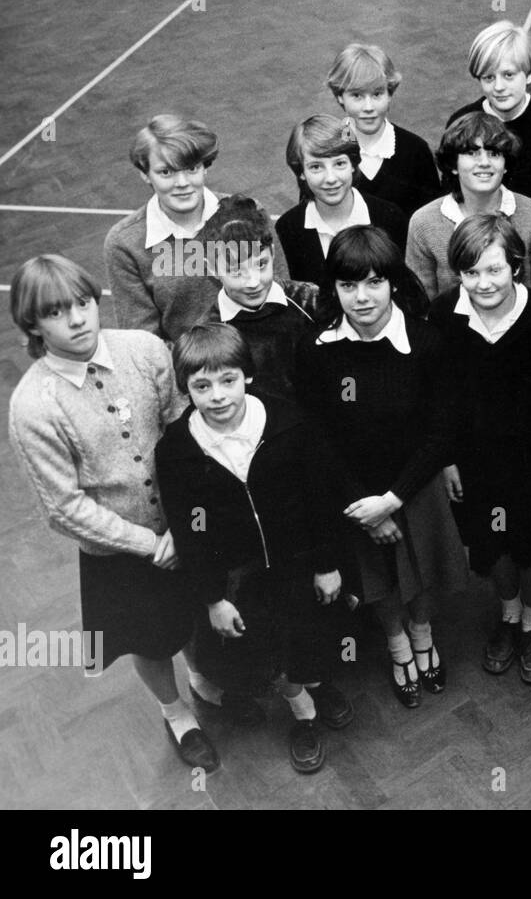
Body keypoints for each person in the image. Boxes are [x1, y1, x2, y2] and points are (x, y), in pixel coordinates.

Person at [8, 254, 218, 771]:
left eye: (83, 303)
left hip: (184, 524)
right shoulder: (34, 405)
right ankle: (177, 715)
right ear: (32, 324)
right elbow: (64, 508)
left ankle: (205, 681)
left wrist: (185, 519)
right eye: (58, 312)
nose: (78, 319)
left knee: (196, 611)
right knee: (149, 639)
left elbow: (184, 430)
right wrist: (149, 544)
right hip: (121, 552)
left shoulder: (146, 350)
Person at [155, 324, 355, 774]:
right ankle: (303, 712)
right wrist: (213, 598)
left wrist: (326, 564)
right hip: (239, 579)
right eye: (201, 386)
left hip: (299, 564)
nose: (218, 396)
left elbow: (320, 501)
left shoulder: (289, 422)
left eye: (227, 380)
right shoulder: (177, 451)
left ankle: (319, 685)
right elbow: (190, 532)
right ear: (186, 389)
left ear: (247, 374)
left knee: (310, 633)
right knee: (265, 648)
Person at [294, 226, 466, 709]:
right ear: (334, 289)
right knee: (380, 579)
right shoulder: (316, 349)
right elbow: (318, 437)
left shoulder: (425, 342)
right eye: (348, 286)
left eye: (373, 283)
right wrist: (366, 507)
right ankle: (398, 647)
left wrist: (394, 499)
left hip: (415, 485)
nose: (361, 297)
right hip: (354, 494)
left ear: (393, 282)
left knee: (421, 570)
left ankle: (424, 634)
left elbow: (441, 431)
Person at [430, 214, 531, 686]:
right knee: (492, 542)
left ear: (515, 265)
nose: (483, 283)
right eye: (471, 273)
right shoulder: (442, 315)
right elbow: (438, 396)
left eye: (494, 270)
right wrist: (447, 457)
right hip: (475, 462)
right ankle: (508, 615)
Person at [105, 115, 289, 339]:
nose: (182, 183)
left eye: (191, 168)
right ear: (145, 174)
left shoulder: (248, 212)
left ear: (205, 168)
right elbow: (145, 342)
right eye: (166, 172)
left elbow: (282, 290)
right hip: (191, 368)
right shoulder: (124, 243)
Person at [406, 112, 531, 300]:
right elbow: (421, 304)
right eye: (472, 153)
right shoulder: (423, 223)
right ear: (453, 165)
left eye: (494, 154)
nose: (484, 163)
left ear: (505, 165)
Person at [196, 195, 314, 403]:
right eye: (236, 271)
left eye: (261, 265)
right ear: (212, 269)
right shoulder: (209, 335)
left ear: (273, 253)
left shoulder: (310, 301)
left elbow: (347, 371)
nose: (252, 282)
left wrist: (347, 401)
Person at [275, 115, 408, 287]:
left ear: (353, 164)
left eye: (339, 164)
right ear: (301, 172)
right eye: (316, 167)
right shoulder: (288, 228)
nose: (330, 178)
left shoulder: (390, 218)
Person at [446, 20, 531, 200]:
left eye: (508, 75)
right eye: (488, 78)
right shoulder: (462, 121)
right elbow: (450, 191)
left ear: (529, 76)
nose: (498, 86)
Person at [327, 42, 442, 219]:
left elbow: (430, 222)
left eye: (377, 94)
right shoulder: (325, 150)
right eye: (357, 95)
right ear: (340, 96)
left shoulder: (416, 151)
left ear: (390, 94)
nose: (368, 107)